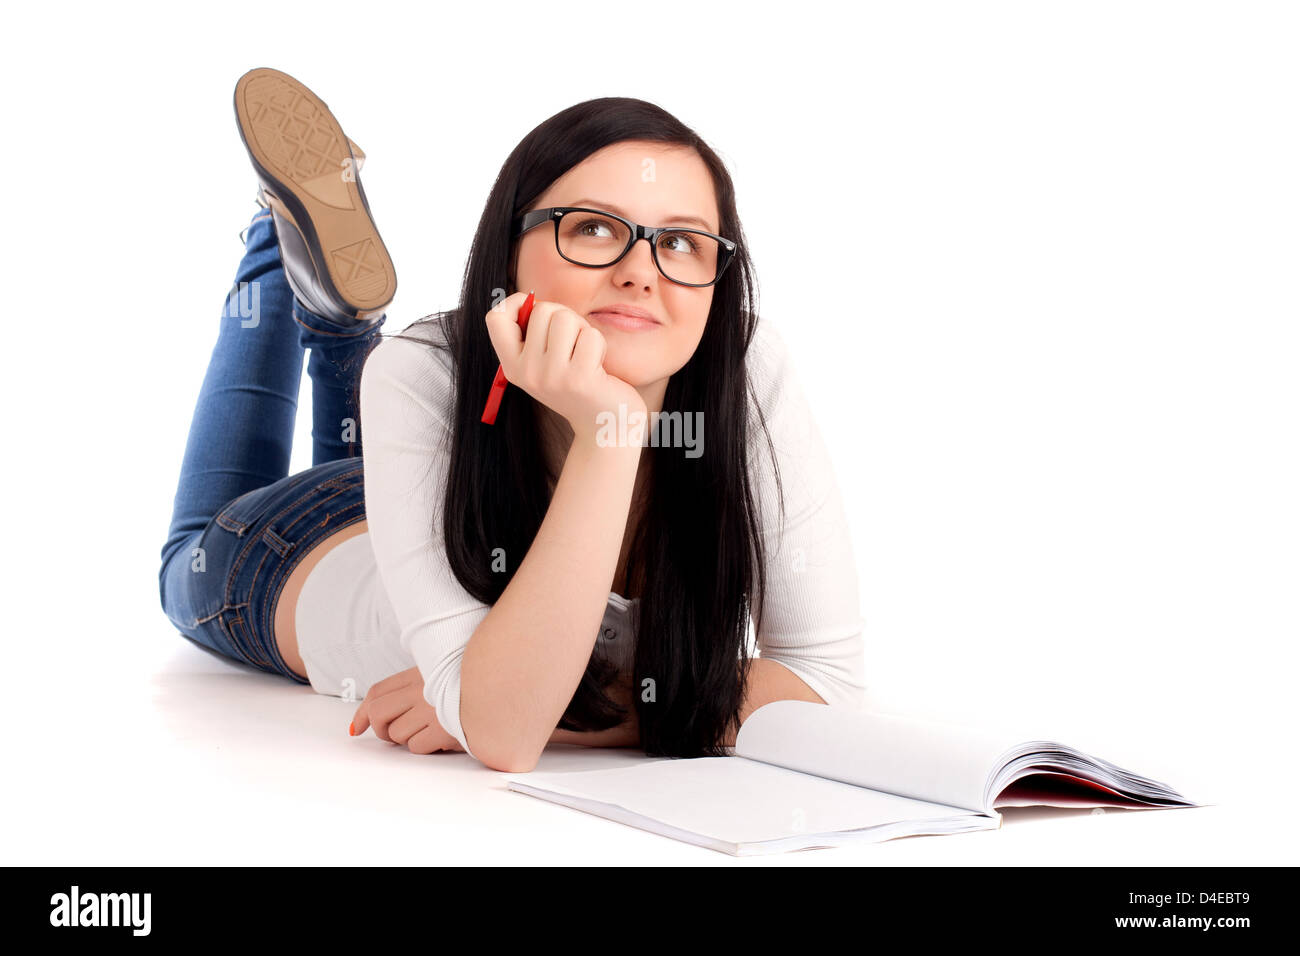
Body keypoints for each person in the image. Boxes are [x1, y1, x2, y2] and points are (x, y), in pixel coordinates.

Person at [159, 67, 867, 773]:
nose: (641, 272)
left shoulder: (745, 365)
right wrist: (609, 434)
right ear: (508, 250)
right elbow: (504, 735)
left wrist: (539, 708)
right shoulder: (420, 372)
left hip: (414, 495)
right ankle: (274, 245)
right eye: (593, 228)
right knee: (186, 554)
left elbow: (825, 688)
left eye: (681, 242)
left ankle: (336, 319)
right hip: (288, 555)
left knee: (384, 412)